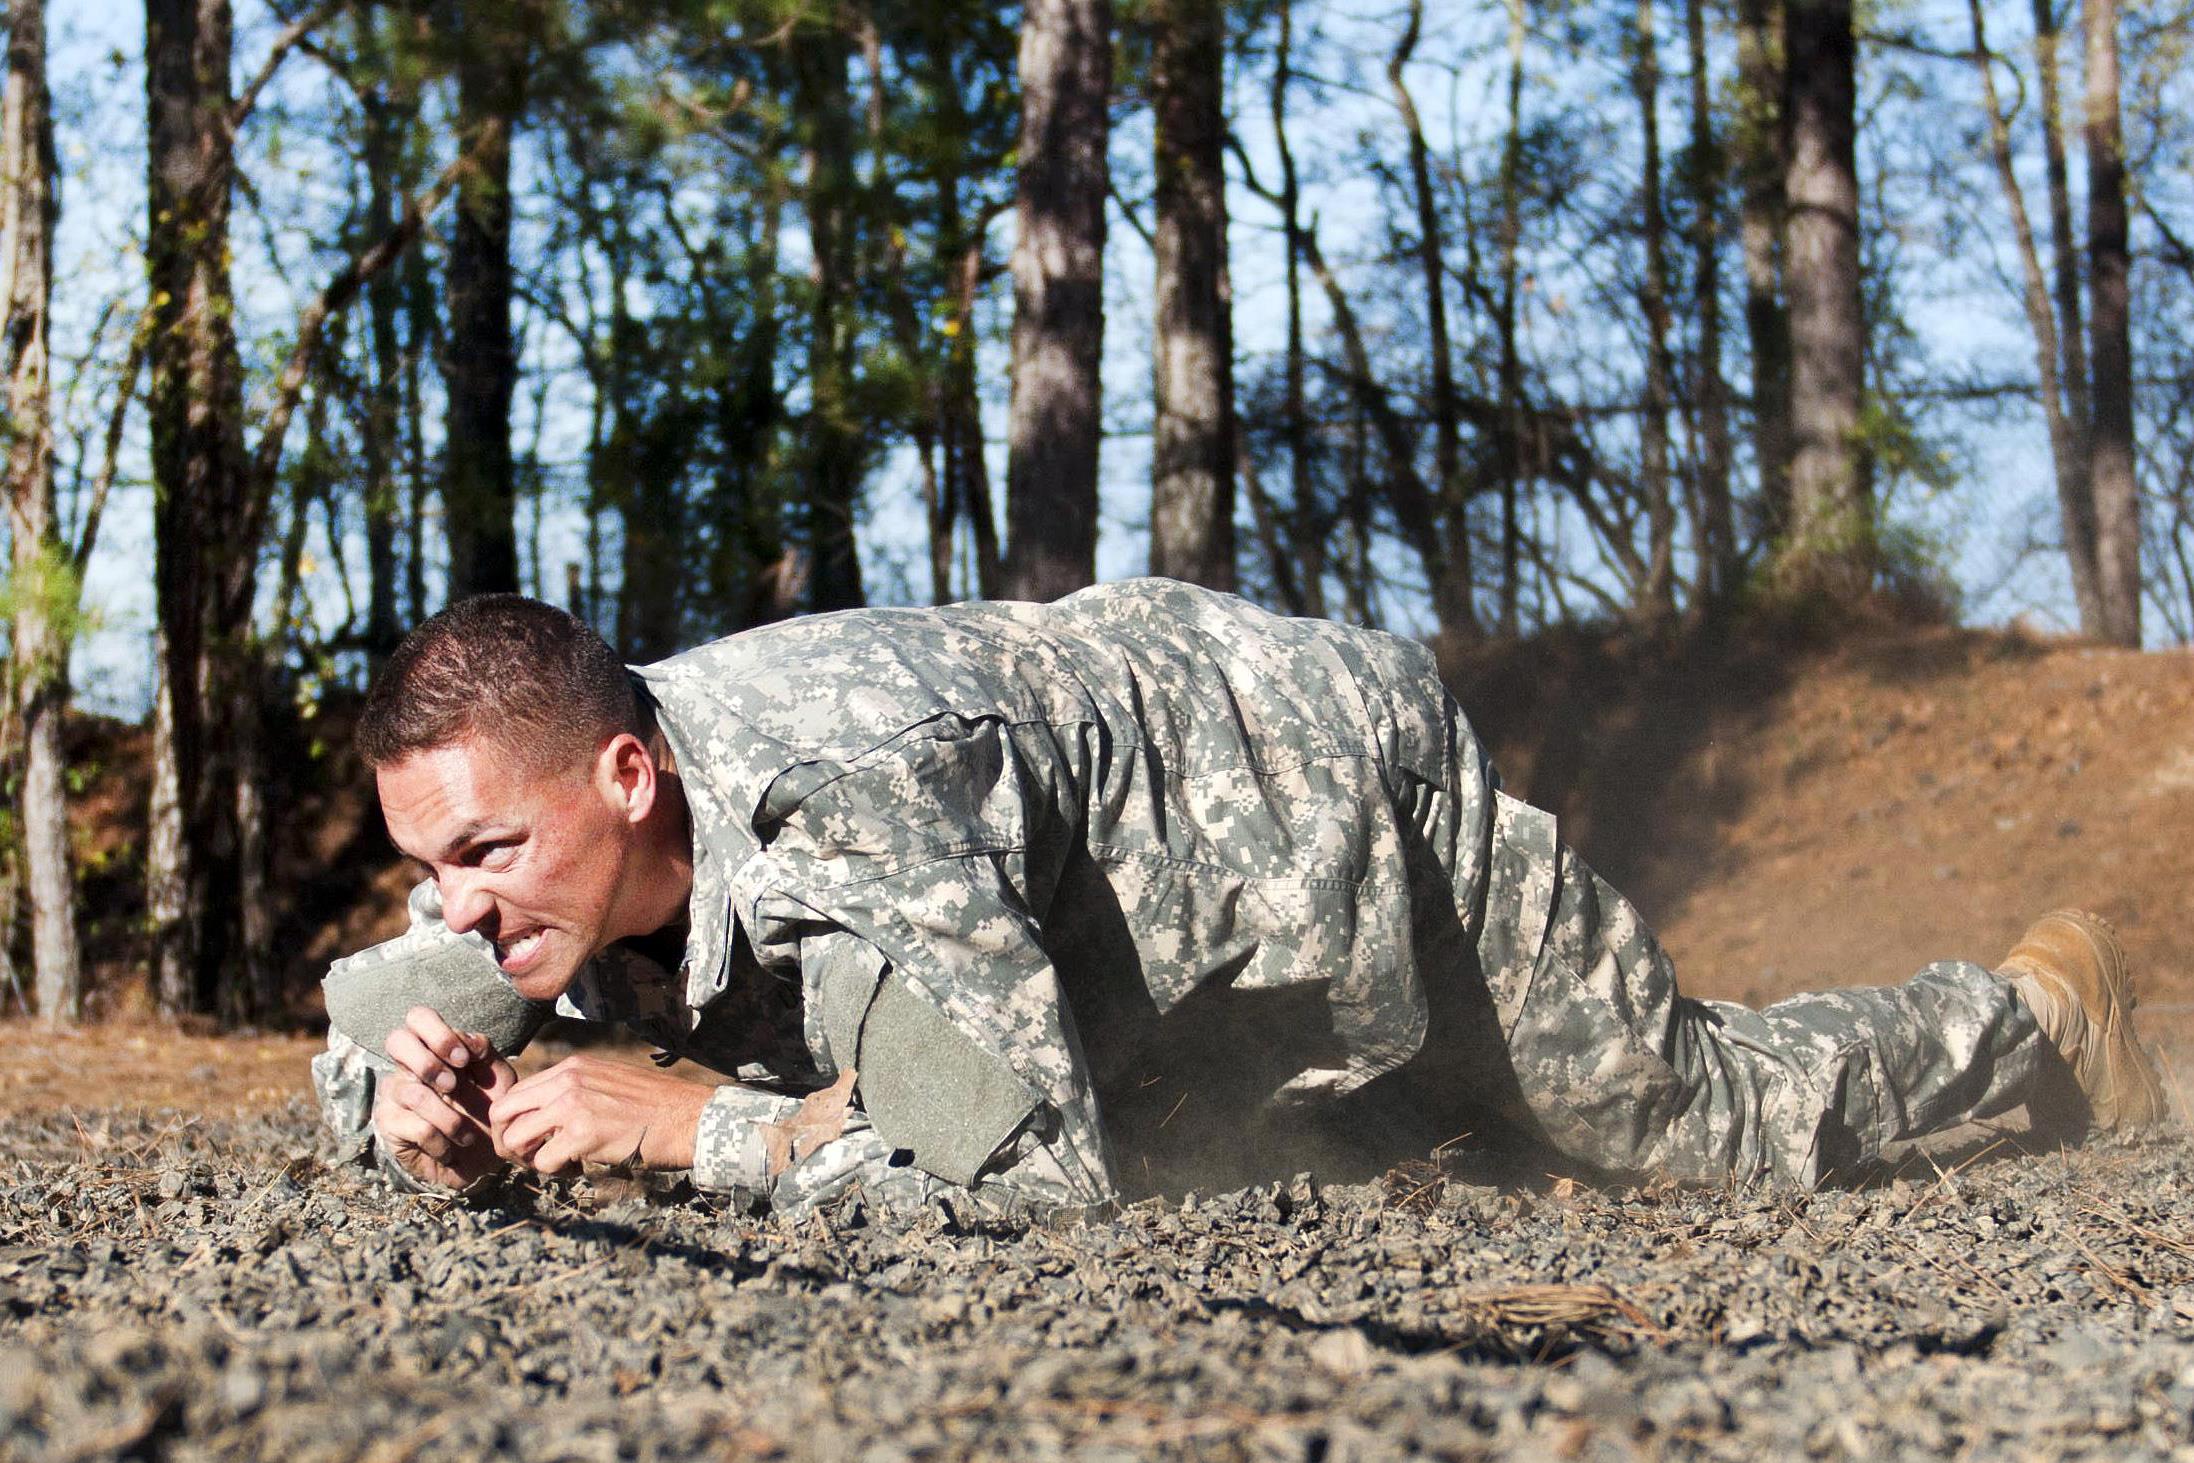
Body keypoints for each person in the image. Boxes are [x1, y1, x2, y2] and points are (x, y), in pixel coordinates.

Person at [311, 580, 2169, 1216]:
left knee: (1685, 1126)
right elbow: (374, 1031)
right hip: (1151, 936)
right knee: (1414, 1149)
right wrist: (408, 1111)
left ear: (627, 780)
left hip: (1336, 801)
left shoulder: (843, 809)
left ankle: (2034, 1005)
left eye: (485, 860)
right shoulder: (527, 852)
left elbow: (1031, 1178)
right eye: (429, 872)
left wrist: (700, 1126)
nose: (457, 912)